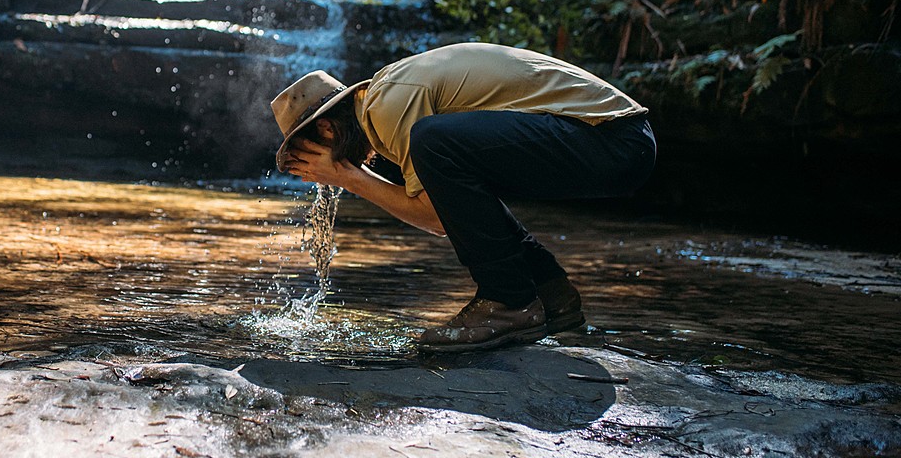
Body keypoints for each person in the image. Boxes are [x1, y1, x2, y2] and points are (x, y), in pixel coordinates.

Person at [271, 42, 656, 352]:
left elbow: (436, 218)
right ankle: (549, 294)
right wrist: (351, 175)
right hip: (616, 141)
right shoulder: (384, 99)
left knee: (433, 142)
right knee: (454, 173)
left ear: (325, 129)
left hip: (611, 140)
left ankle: (508, 301)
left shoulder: (386, 105)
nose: (319, 172)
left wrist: (349, 177)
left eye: (312, 157)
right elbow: (455, 209)